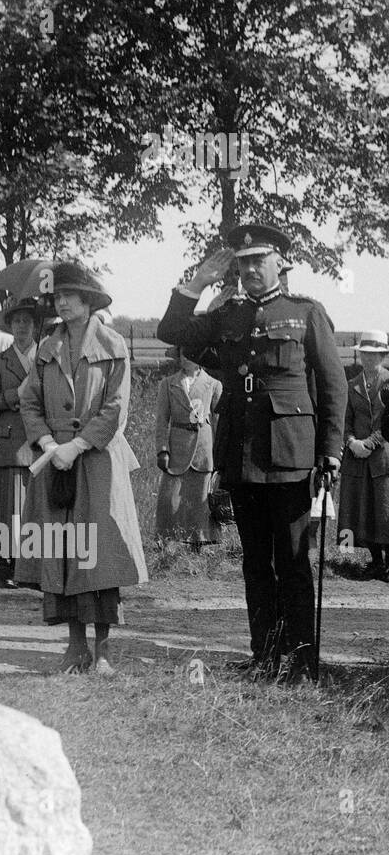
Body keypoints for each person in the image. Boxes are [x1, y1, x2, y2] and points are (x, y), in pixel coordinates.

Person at [156, 223, 346, 682]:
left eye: (259, 260)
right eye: (243, 262)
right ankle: (265, 657)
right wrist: (198, 283)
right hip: (241, 453)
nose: (251, 269)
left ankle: (301, 661)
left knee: (294, 560)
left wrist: (331, 451)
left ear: (281, 262)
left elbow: (333, 382)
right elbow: (172, 330)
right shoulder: (229, 314)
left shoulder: (305, 313)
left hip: (290, 453)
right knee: (256, 561)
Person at [19, 262, 148, 675]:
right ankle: (74, 647)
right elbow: (30, 402)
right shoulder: (46, 349)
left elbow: (115, 408)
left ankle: (104, 650)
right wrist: (47, 443)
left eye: (69, 294)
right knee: (62, 552)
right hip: (55, 461)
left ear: (89, 299)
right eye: (57, 295)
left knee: (101, 554)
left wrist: (77, 445)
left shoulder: (113, 346)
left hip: (97, 461)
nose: (61, 301)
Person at [0, 295, 42, 581]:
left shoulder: (46, 358)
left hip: (38, 438)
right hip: (7, 440)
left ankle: (35, 565)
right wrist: (14, 396)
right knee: (9, 503)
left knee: (34, 502)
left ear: (35, 326)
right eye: (16, 322)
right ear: (9, 326)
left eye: (26, 322)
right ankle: (7, 562)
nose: (21, 327)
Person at [154, 347, 223, 548]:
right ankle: (167, 542)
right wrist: (162, 450)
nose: (186, 358)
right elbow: (161, 421)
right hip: (177, 448)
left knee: (202, 497)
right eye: (183, 354)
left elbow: (219, 422)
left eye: (191, 354)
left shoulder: (213, 384)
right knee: (170, 497)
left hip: (203, 449)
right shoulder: (168, 384)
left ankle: (201, 542)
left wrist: (220, 453)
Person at [339, 331, 389, 580]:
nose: (370, 359)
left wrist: (371, 442)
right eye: (366, 354)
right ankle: (375, 561)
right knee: (363, 509)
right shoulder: (351, 385)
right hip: (357, 458)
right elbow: (344, 421)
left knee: (385, 508)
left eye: (375, 354)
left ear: (383, 355)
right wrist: (351, 442)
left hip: (382, 457)